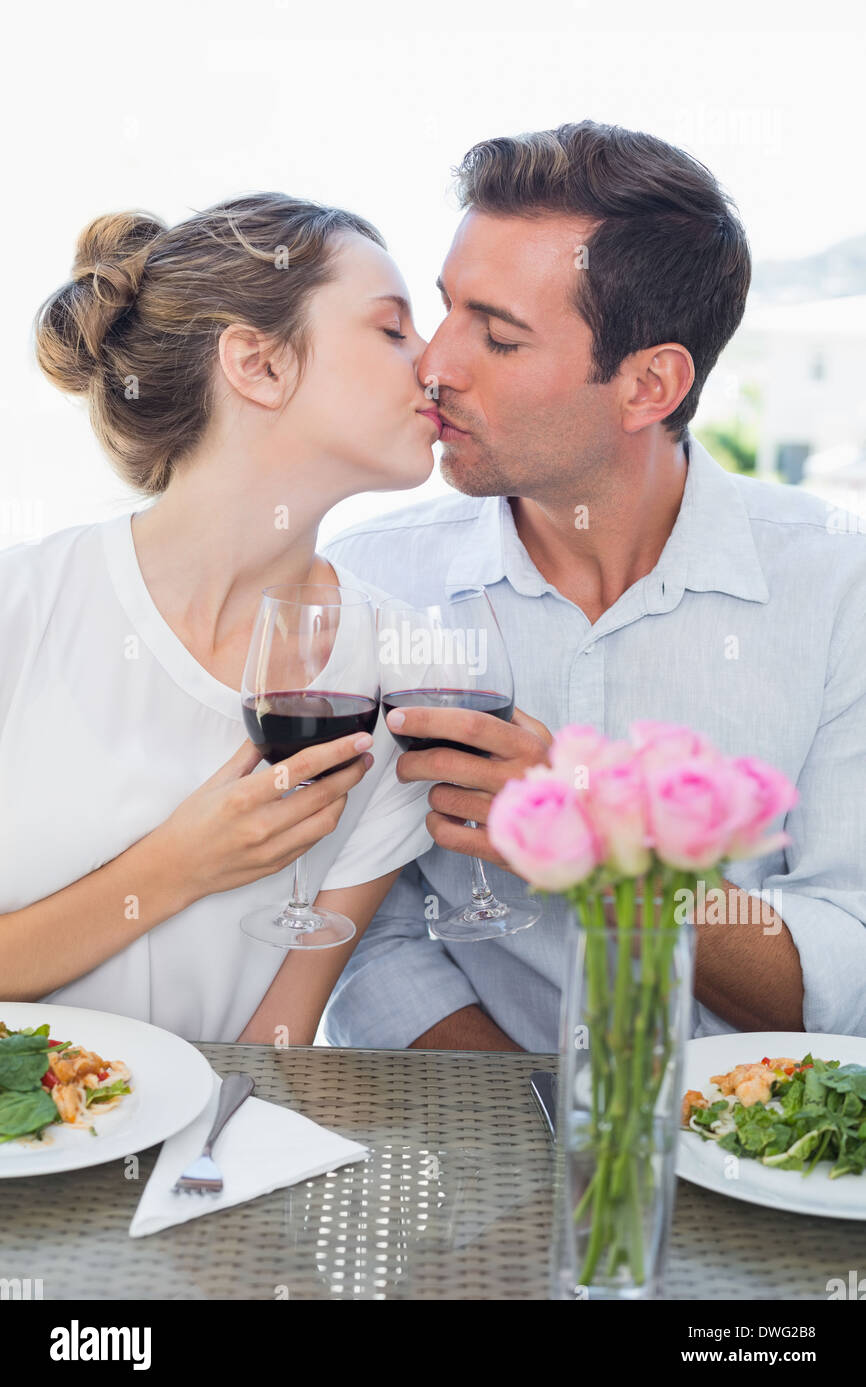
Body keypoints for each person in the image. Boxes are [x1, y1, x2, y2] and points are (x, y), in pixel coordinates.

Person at [320, 120, 866, 1051]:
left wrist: (606, 840)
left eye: (496, 336)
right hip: (480, 1143)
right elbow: (370, 944)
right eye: (447, 308)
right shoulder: (375, 577)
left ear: (648, 385)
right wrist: (547, 1129)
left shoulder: (837, 589)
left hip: (743, 1151)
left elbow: (835, 987)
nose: (435, 364)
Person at [0, 193, 443, 1044]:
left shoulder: (396, 675)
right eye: (392, 330)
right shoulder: (25, 611)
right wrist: (179, 867)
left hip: (212, 1163)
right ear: (260, 364)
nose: (437, 363)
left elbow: (276, 1048)